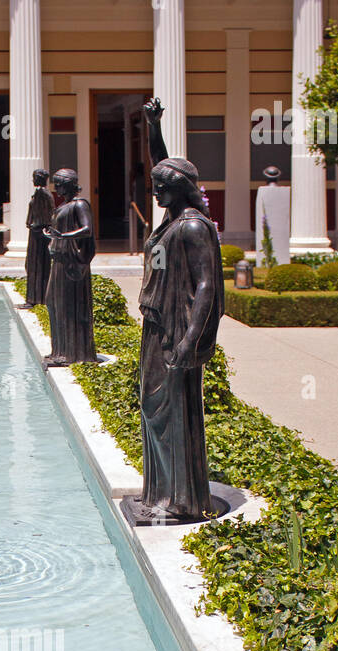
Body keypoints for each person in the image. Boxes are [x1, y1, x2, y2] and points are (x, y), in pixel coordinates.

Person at [122, 96, 226, 525]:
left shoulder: (192, 227)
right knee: (153, 405)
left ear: (179, 189)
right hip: (157, 325)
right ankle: (162, 492)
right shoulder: (171, 217)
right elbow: (165, 163)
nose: (154, 191)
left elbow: (207, 286)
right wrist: (153, 126)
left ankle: (178, 501)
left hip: (176, 332)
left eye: (161, 187)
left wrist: (189, 340)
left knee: (171, 408)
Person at [42, 168, 97, 367]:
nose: (56, 188)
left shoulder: (80, 204)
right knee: (52, 302)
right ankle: (59, 350)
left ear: (70, 184)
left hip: (70, 263)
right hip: (59, 260)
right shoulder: (64, 205)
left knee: (65, 305)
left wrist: (64, 236)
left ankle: (70, 354)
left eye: (59, 184)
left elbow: (87, 229)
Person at [23, 169, 53, 307]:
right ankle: (33, 298)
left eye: (34, 177)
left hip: (39, 233)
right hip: (35, 232)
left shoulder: (44, 194)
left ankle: (36, 299)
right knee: (32, 264)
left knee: (37, 265)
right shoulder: (38, 193)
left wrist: (44, 228)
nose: (32, 180)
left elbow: (51, 214)